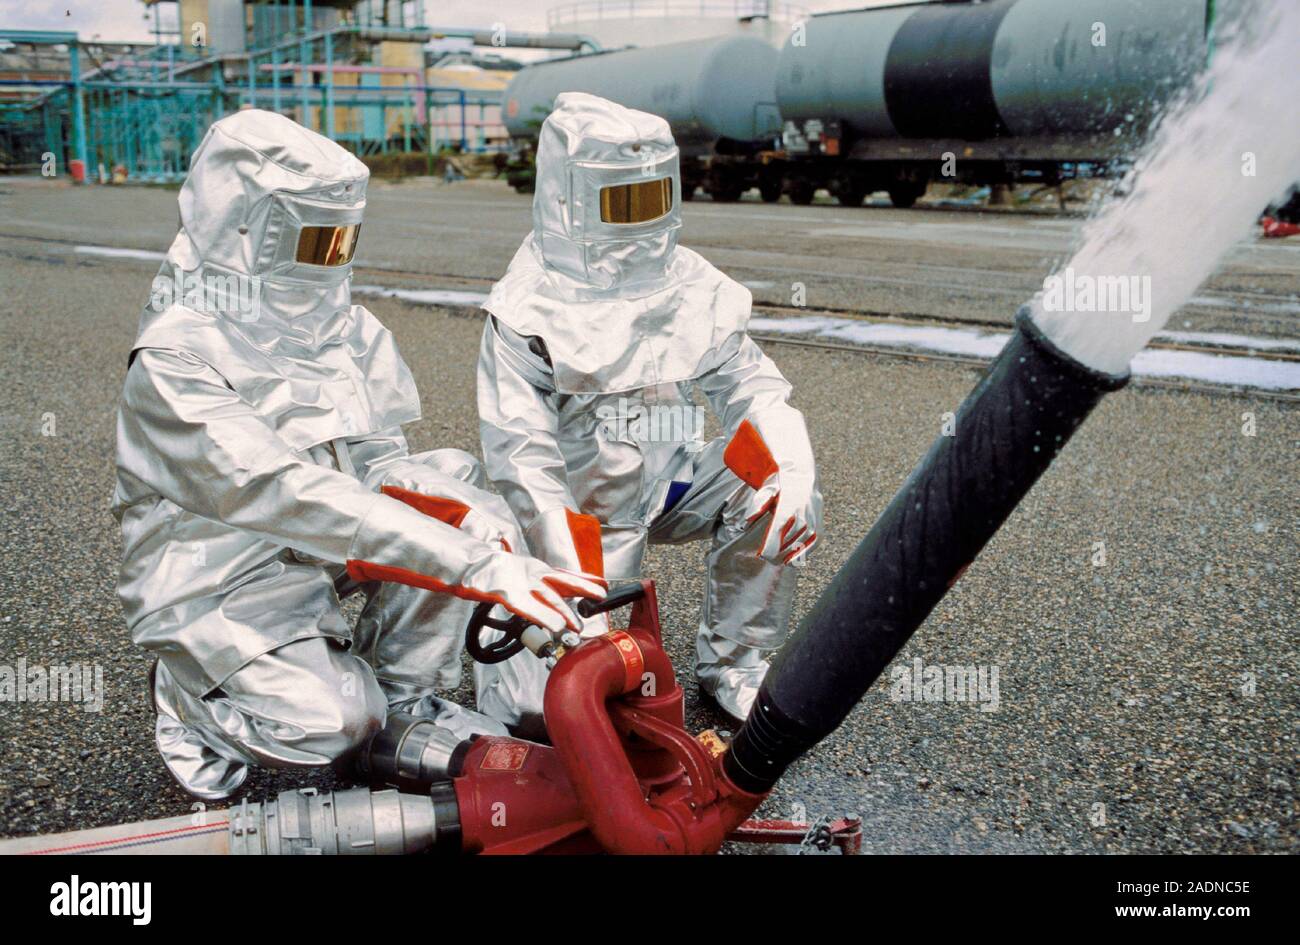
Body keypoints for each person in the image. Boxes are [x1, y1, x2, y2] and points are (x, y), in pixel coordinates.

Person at [113, 109, 603, 800]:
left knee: (458, 485)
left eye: (343, 237)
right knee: (331, 723)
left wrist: (472, 524)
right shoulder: (176, 358)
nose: (332, 259)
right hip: (213, 567)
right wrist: (474, 563)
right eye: (316, 238)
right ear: (245, 227)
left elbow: (377, 468)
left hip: (315, 546)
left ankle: (404, 698)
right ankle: (195, 695)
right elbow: (278, 488)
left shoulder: (344, 329)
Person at [477, 93, 820, 722]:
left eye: (651, 199)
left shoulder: (686, 284)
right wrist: (564, 563)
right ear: (570, 198)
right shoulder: (527, 310)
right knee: (548, 712)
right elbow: (520, 455)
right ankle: (526, 649)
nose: (639, 223)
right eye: (620, 202)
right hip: (579, 517)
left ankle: (737, 662)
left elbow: (753, 387)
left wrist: (792, 469)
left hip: (673, 480)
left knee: (768, 486)